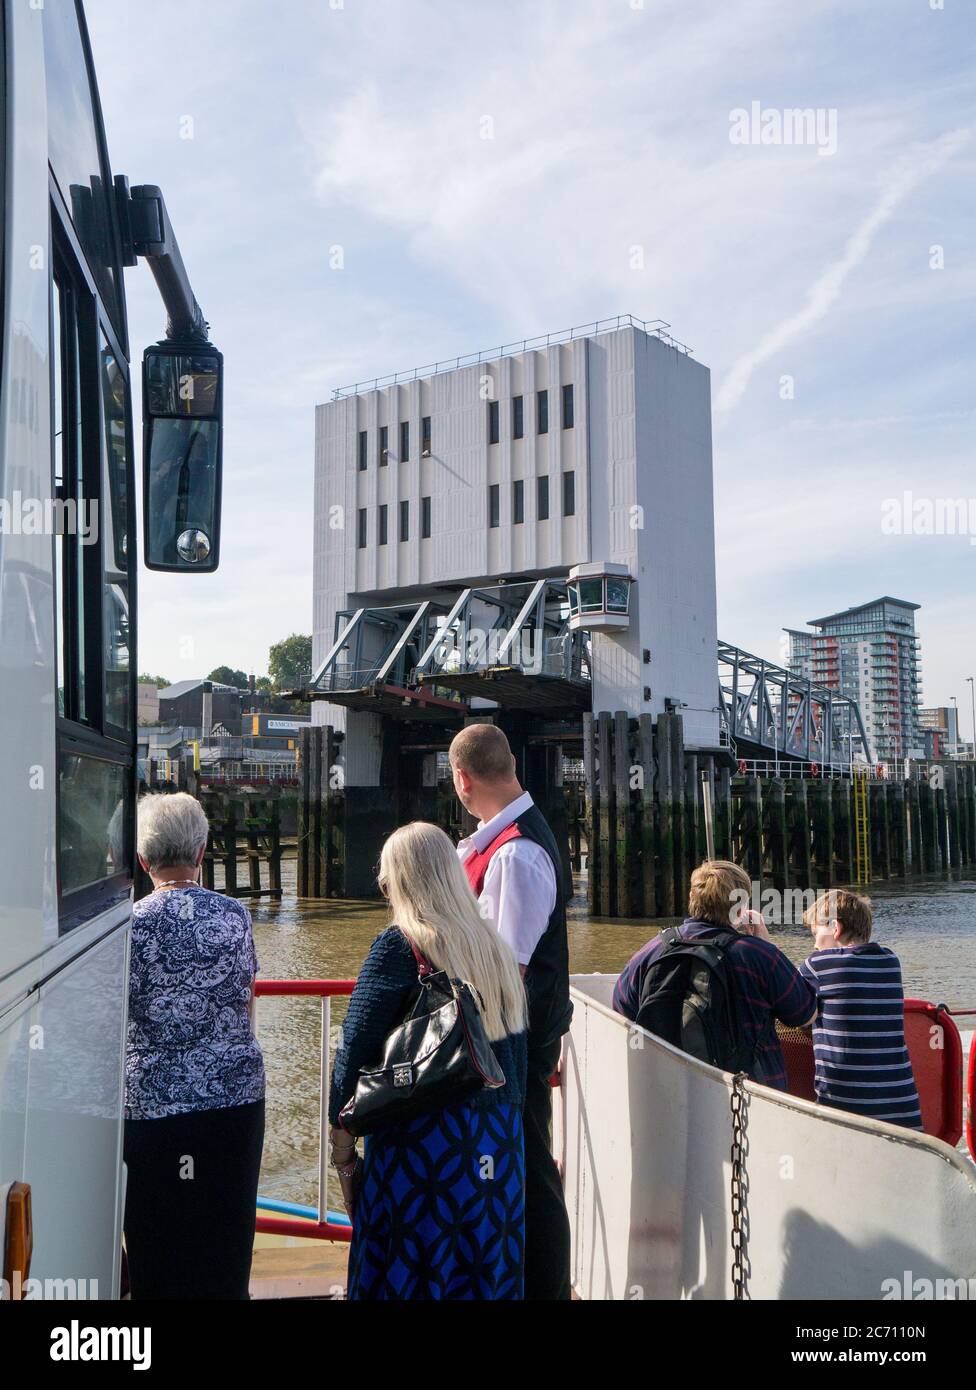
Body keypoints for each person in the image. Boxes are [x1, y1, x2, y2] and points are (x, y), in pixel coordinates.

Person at [328, 821, 528, 1300]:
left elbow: (353, 1050)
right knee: (482, 1273)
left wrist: (342, 1142)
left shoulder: (399, 946)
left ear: (397, 882)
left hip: (422, 1145)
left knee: (411, 1273)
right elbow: (516, 1059)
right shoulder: (496, 948)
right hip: (497, 1145)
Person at [123, 792, 266, 1299]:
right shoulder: (235, 916)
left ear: (143, 859)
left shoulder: (128, 925)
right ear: (202, 852)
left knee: (156, 1239)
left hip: (152, 1103)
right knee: (226, 1234)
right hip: (234, 1097)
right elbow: (245, 1002)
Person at [448, 723, 573, 1301]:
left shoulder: (516, 854)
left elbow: (506, 970)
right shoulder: (502, 843)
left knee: (528, 1161)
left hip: (515, 1039)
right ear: (511, 765)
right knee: (518, 1158)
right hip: (515, 1034)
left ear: (462, 779)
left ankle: (545, 1288)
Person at [612, 859, 817, 1089]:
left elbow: (622, 1006)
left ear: (692, 898)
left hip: (669, 1085)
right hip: (749, 1091)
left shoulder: (654, 949)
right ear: (740, 910)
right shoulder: (758, 955)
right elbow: (805, 1014)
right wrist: (765, 944)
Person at [799, 891, 923, 1129]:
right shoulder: (890, 961)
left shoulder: (818, 964)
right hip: (902, 1105)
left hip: (845, 1106)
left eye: (815, 934)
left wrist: (763, 940)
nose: (814, 944)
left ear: (835, 928)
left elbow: (787, 1000)